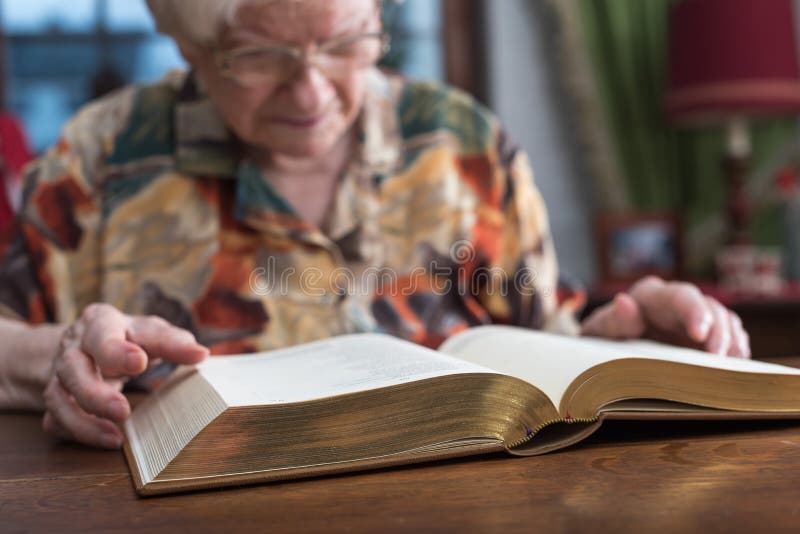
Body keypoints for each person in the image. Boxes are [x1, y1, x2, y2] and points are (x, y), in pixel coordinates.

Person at [0, 0, 749, 450]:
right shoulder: (100, 159)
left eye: (345, 42)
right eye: (263, 57)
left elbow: (543, 333)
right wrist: (56, 354)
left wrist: (630, 339)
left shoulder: (460, 142)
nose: (313, 90)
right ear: (193, 46)